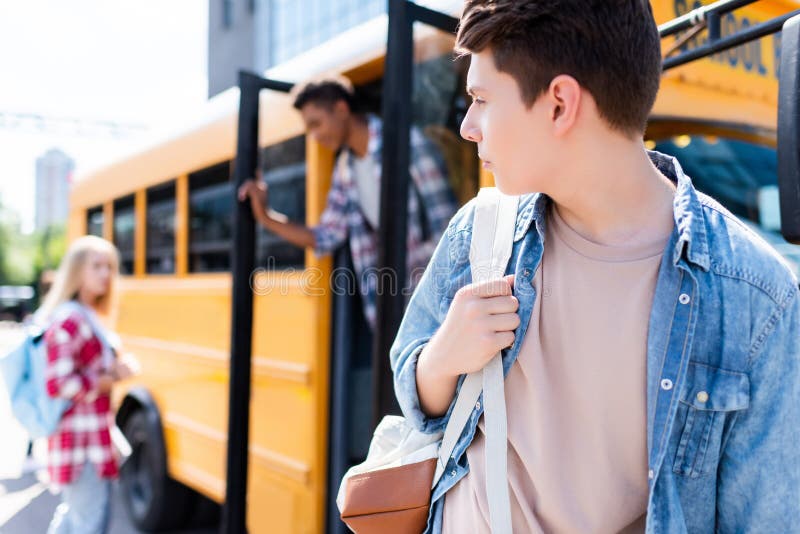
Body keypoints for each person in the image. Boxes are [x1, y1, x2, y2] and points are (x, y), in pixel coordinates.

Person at [390, 1, 800, 533]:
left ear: (560, 104)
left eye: (482, 99)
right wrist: (442, 359)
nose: (467, 126)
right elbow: (412, 390)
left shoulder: (756, 295)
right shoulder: (480, 232)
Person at [238, 77, 457, 330]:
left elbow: (447, 227)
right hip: (393, 312)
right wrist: (265, 216)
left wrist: (403, 268)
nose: (314, 136)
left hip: (437, 307)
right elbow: (325, 236)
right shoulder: (345, 169)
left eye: (316, 124)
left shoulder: (407, 144)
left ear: (341, 109)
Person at [38, 236, 139, 534]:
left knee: (76, 519)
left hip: (91, 438)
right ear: (76, 271)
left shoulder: (85, 315)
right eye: (96, 266)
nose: (105, 274)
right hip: (81, 445)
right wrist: (113, 377)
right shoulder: (70, 320)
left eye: (109, 266)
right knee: (89, 523)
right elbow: (58, 383)